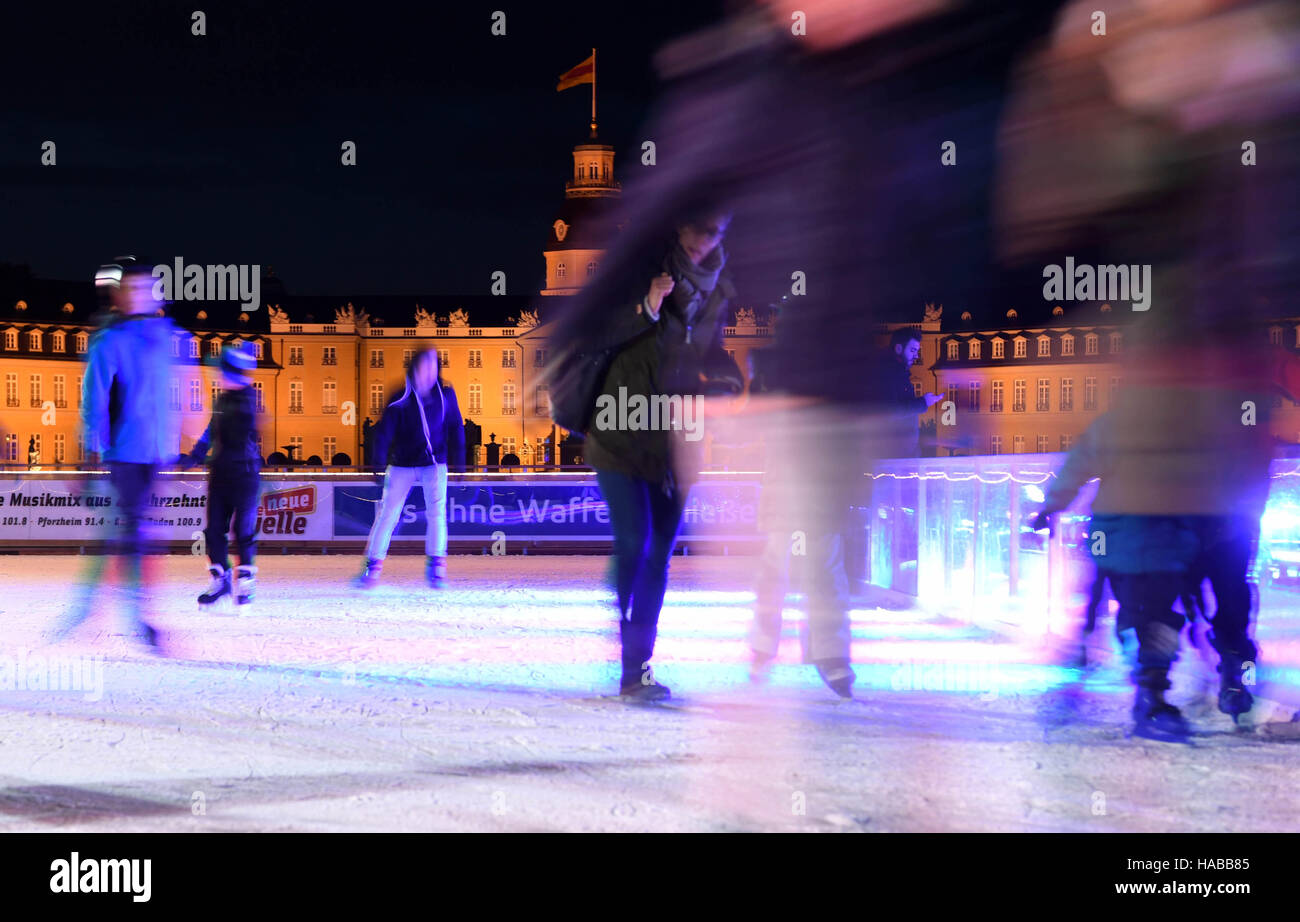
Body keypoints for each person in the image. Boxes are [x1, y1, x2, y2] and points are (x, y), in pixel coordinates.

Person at [565, 207, 742, 701]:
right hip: (621, 429)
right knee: (635, 544)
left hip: (677, 437)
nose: (704, 241)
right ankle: (629, 658)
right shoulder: (636, 268)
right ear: (676, 220)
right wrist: (645, 305)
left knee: (659, 557)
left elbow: (714, 355)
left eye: (716, 231)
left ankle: (639, 665)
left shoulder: (716, 290)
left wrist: (727, 383)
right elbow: (592, 335)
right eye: (698, 226)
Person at [61, 259, 181, 648]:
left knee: (130, 532)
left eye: (147, 288)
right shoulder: (109, 341)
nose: (140, 295)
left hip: (157, 452)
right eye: (132, 289)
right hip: (125, 450)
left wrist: (177, 447)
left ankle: (92, 602)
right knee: (135, 530)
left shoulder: (167, 335)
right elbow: (92, 401)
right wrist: (87, 456)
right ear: (120, 294)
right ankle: (141, 618)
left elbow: (174, 394)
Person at [357, 348, 465, 588]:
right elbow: (384, 432)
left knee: (437, 514)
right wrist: (378, 462)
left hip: (434, 463)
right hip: (402, 464)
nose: (429, 372)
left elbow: (456, 425)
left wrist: (460, 461)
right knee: (388, 514)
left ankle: (437, 566)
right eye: (424, 366)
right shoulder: (401, 395)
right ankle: (372, 567)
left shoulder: (445, 394)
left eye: (433, 366)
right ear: (414, 369)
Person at [184, 345, 262, 607]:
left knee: (243, 531)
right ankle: (221, 581)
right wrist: (194, 455)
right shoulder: (223, 400)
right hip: (220, 474)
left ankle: (245, 584)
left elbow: (236, 435)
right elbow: (211, 429)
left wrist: (203, 455)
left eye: (222, 370)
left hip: (244, 474)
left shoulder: (248, 402)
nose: (217, 375)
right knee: (214, 530)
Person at [877, 329, 943, 459]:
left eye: (917, 352)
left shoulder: (899, 372)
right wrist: (923, 403)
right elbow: (891, 411)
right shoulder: (887, 374)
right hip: (896, 457)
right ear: (898, 348)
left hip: (905, 455)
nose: (916, 356)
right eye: (912, 351)